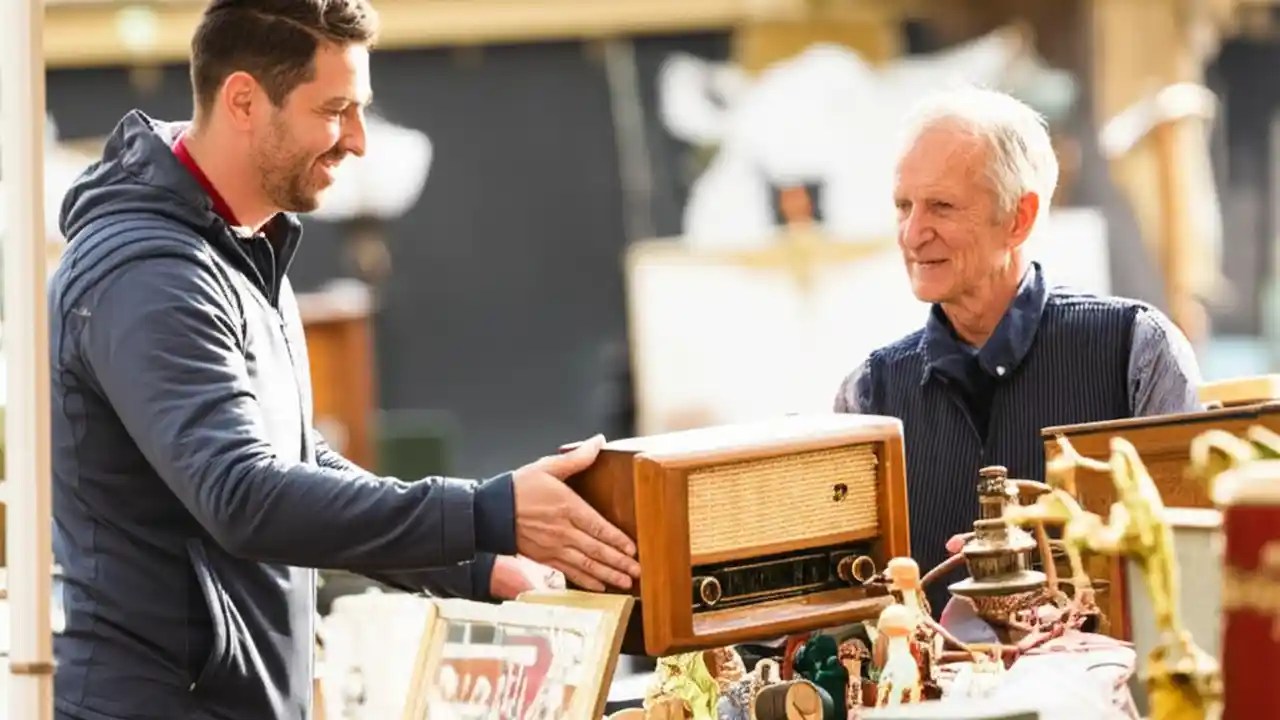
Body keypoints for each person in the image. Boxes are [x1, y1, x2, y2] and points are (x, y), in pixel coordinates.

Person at [48, 2, 639, 719]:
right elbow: (245, 497)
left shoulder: (235, 248)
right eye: (334, 111)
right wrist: (489, 511)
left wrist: (481, 567)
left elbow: (297, 465)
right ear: (243, 99)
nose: (357, 141)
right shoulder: (150, 274)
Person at [832, 87, 1202, 617]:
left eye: (941, 206)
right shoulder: (869, 392)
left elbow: (1185, 570)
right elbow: (850, 602)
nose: (913, 234)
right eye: (903, 206)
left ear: (1019, 218)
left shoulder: (1135, 350)